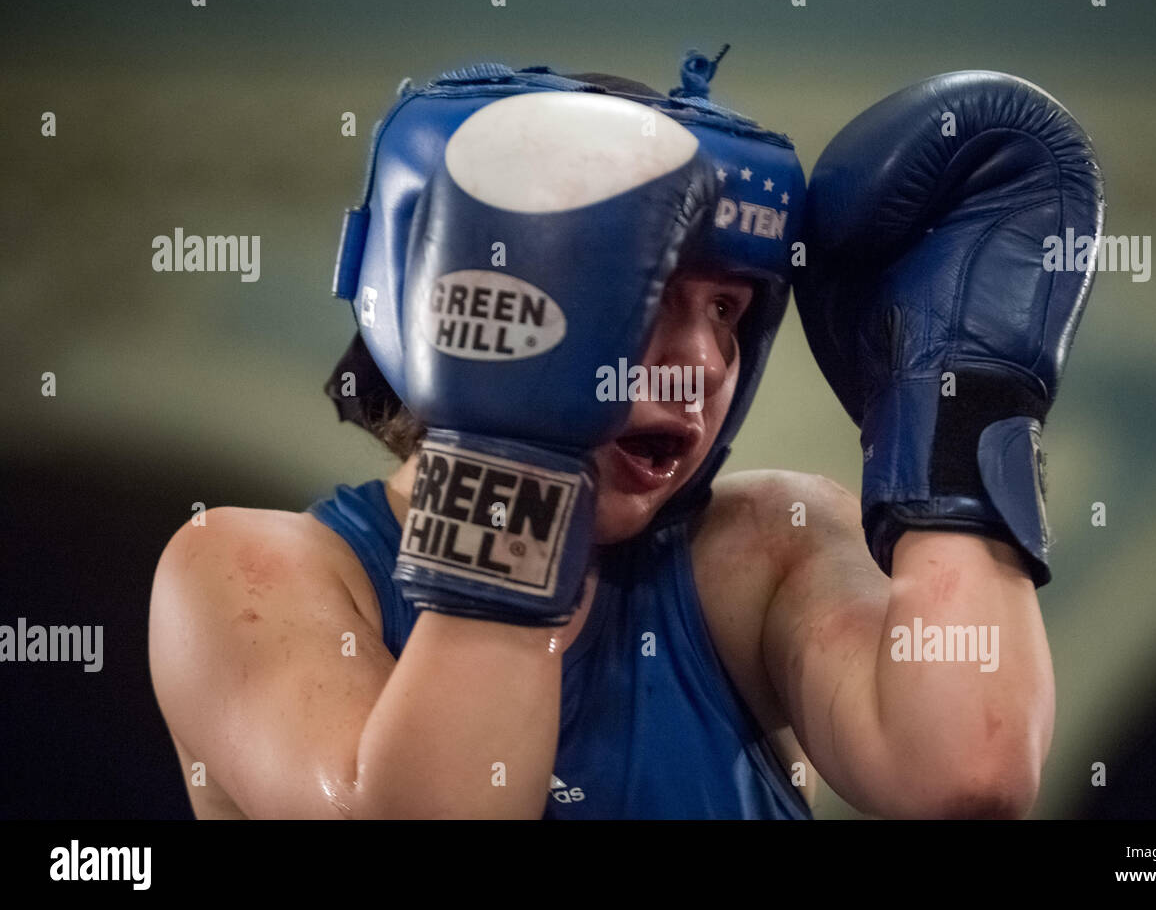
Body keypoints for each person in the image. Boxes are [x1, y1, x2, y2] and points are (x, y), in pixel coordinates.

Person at [148, 53, 1103, 819]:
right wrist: (518, 444)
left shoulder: (766, 548)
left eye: (728, 309)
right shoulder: (245, 571)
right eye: (642, 301)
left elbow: (963, 773)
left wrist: (960, 396)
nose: (698, 360)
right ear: (467, 300)